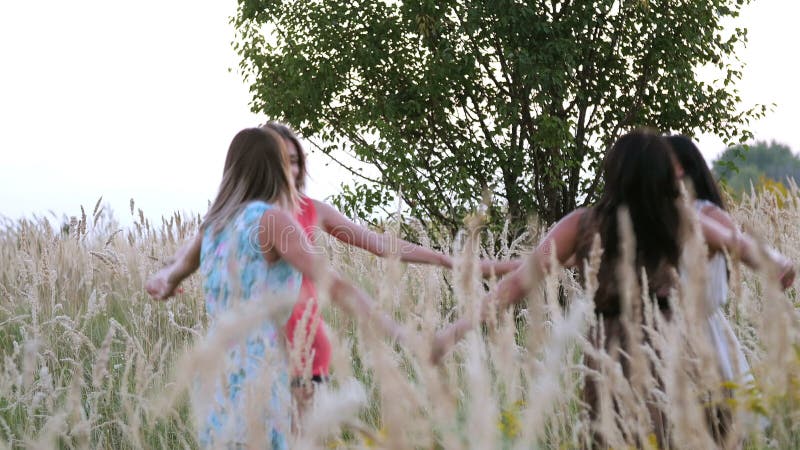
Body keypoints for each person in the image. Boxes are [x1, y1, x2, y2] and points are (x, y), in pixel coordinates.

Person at [432, 129, 795, 446]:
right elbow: (746, 248)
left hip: (610, 346)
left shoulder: (582, 222)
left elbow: (515, 284)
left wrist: (451, 334)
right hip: (670, 343)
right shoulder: (678, 218)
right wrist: (777, 267)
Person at [148, 121, 520, 414]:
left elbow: (379, 245)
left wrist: (446, 259)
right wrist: (165, 277)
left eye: (296, 160)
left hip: (303, 347)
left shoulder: (308, 211)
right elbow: (184, 261)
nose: (291, 169)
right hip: (249, 357)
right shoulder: (236, 220)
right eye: (283, 161)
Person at [147, 127, 401, 448]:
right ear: (276, 166)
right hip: (259, 367)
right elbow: (331, 283)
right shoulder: (273, 220)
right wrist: (397, 331)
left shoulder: (214, 225)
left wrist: (162, 282)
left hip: (214, 368)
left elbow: (173, 274)